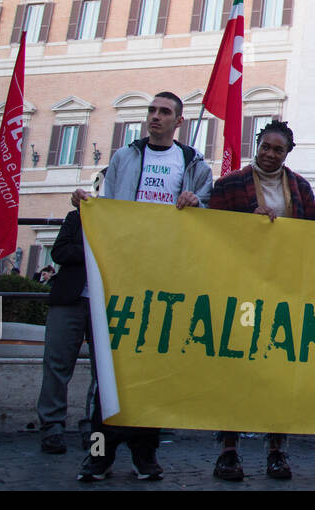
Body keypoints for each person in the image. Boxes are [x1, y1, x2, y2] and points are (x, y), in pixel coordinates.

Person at [71, 91, 213, 483]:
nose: (155, 117)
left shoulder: (195, 164)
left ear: (178, 121)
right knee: (110, 372)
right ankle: (99, 457)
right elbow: (107, 205)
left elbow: (208, 210)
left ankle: (145, 455)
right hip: (122, 275)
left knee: (152, 369)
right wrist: (85, 202)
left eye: (164, 112)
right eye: (151, 110)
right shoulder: (124, 156)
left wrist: (196, 202)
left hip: (165, 277)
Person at [207, 119, 315, 482]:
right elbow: (211, 236)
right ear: (256, 145)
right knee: (235, 368)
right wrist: (245, 224)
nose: (270, 154)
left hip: (284, 291)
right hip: (239, 290)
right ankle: (228, 450)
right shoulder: (228, 185)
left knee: (278, 372)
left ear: (288, 154)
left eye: (278, 150)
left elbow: (311, 238)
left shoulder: (301, 188)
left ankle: (276, 451)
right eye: (265, 147)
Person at [35, 208, 88, 455]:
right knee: (57, 362)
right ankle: (52, 425)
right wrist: (92, 249)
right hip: (70, 298)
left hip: (108, 301)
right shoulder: (77, 216)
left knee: (106, 369)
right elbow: (58, 251)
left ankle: (95, 428)